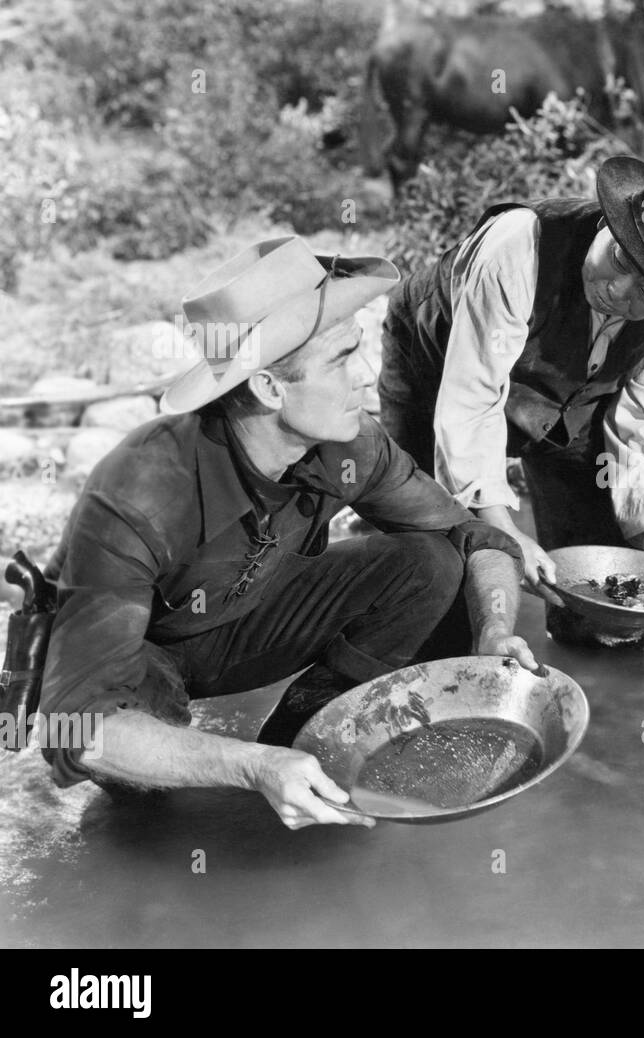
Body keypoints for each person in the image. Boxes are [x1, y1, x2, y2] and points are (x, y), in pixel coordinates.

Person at [36, 236, 535, 829]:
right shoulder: (137, 490)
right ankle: (249, 775)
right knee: (150, 810)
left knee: (432, 564)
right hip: (141, 654)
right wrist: (249, 765)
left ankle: (310, 742)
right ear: (269, 388)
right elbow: (78, 727)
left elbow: (474, 538)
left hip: (245, 619)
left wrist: (495, 630)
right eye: (341, 359)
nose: (369, 377)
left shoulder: (348, 442)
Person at [378, 156, 644, 645]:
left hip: (569, 404)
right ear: (612, 224)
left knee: (608, 607)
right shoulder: (518, 246)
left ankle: (596, 691)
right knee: (436, 578)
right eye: (622, 260)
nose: (617, 290)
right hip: (437, 368)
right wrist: (501, 532)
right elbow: (472, 401)